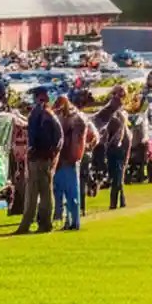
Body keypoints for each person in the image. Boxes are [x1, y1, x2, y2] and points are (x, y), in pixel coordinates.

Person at [15, 88, 62, 234]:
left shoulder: (38, 114)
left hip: (37, 158)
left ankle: (27, 224)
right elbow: (59, 139)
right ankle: (45, 223)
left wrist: (32, 150)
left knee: (33, 193)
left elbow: (33, 136)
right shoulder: (51, 115)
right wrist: (53, 154)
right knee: (46, 192)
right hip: (46, 157)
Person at [52, 96, 89, 230]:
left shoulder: (71, 119)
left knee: (69, 193)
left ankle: (72, 221)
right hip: (69, 160)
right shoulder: (78, 118)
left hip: (66, 160)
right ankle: (71, 221)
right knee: (69, 193)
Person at [94, 85, 130, 209]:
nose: (120, 98)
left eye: (122, 95)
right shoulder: (109, 111)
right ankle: (115, 202)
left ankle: (120, 200)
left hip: (121, 147)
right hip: (112, 148)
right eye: (118, 95)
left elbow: (125, 133)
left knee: (119, 174)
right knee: (116, 175)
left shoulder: (122, 112)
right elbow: (99, 123)